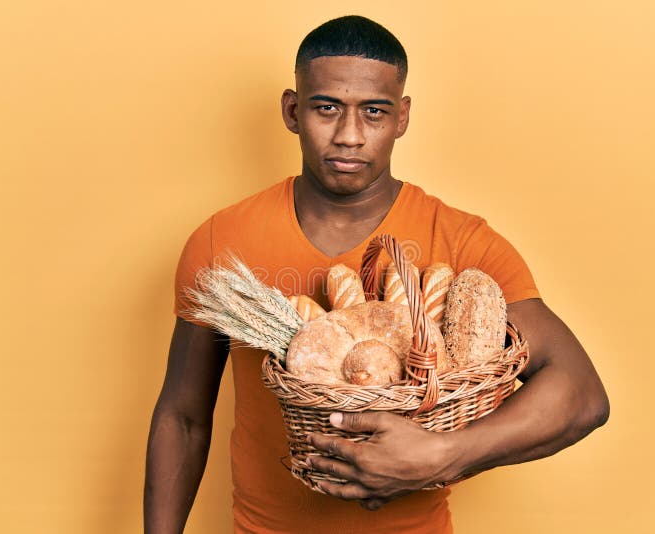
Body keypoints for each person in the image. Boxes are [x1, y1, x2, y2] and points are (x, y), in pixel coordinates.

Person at [144, 15, 609, 534]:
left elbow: (581, 393)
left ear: (402, 117)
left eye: (374, 112)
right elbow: (183, 417)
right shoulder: (223, 240)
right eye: (327, 108)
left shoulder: (462, 242)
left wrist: (446, 454)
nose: (349, 136)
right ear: (292, 111)